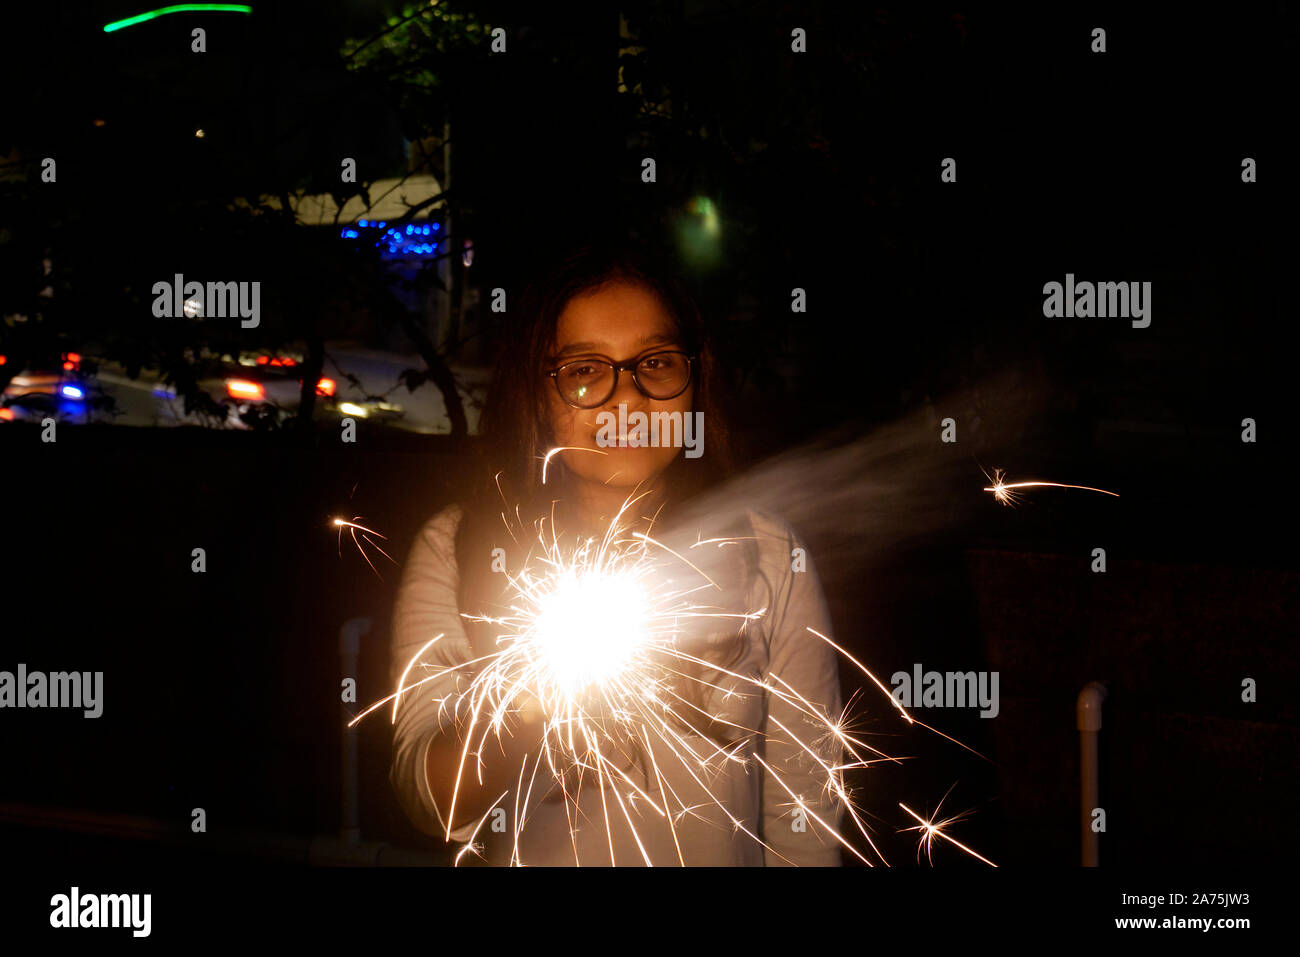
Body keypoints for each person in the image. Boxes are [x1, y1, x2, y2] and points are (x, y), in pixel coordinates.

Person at [389, 240, 843, 865]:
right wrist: (538, 699)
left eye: (654, 362)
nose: (627, 401)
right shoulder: (458, 547)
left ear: (693, 380)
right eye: (583, 371)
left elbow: (805, 816)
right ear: (537, 400)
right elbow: (431, 802)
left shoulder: (767, 550)